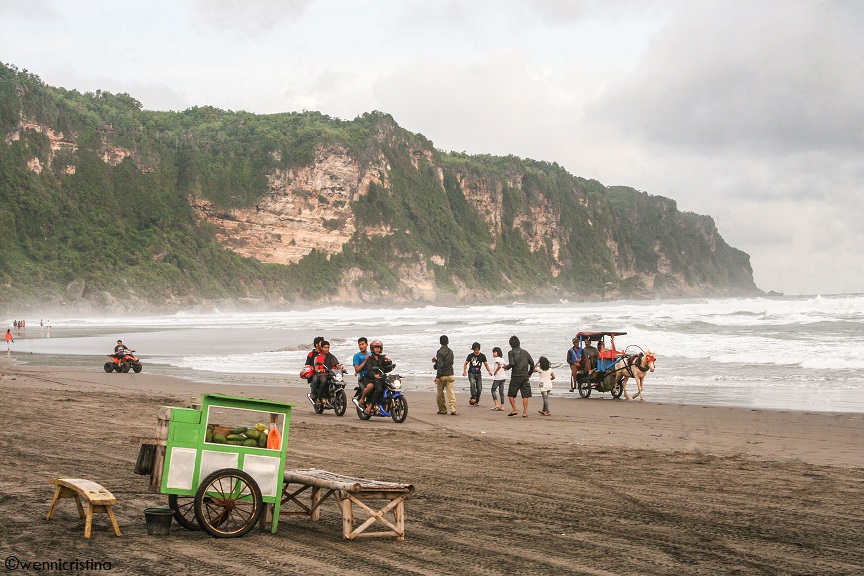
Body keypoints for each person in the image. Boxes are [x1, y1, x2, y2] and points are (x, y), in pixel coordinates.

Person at [504, 335, 534, 417]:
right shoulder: (525, 352)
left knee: (511, 394)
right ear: (519, 343)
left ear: (510, 344)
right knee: (525, 395)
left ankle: (514, 409)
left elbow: (512, 363)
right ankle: (524, 412)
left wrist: (506, 367)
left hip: (516, 375)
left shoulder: (511, 352)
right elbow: (532, 363)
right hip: (525, 375)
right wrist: (529, 373)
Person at [362, 340, 393, 415]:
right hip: (374, 379)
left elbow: (386, 366)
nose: (377, 349)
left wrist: (389, 362)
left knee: (391, 387)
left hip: (382, 377)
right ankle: (370, 406)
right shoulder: (369, 359)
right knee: (379, 390)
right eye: (375, 348)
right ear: (372, 349)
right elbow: (369, 370)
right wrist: (375, 375)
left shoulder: (382, 358)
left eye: (378, 348)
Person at [310, 341, 342, 407]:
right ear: (321, 348)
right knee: (323, 381)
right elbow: (316, 368)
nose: (327, 349)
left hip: (330, 374)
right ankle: (319, 399)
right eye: (325, 347)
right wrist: (320, 370)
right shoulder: (317, 357)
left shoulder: (332, 356)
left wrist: (341, 369)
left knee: (339, 382)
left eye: (328, 347)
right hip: (321, 374)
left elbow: (337, 365)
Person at [433, 335, 456, 415]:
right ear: (448, 342)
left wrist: (437, 377)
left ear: (440, 342)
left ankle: (443, 409)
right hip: (450, 374)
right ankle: (453, 408)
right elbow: (451, 362)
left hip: (442, 375)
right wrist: (437, 362)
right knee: (451, 392)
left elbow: (440, 365)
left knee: (440, 393)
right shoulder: (451, 351)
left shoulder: (439, 352)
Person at [352, 337, 372, 407]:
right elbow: (357, 370)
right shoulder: (357, 356)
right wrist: (365, 361)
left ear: (367, 344)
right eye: (359, 345)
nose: (361, 346)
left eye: (362, 344)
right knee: (370, 386)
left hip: (372, 375)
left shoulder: (371, 354)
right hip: (364, 376)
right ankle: (362, 399)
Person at [489, 346, 507, 411]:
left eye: (494, 352)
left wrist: (495, 372)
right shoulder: (502, 359)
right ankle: (502, 406)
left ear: (497, 352)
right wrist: (504, 369)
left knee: (493, 390)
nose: (493, 354)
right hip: (503, 377)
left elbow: (499, 365)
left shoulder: (497, 359)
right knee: (501, 392)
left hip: (498, 377)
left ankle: (496, 404)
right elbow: (505, 366)